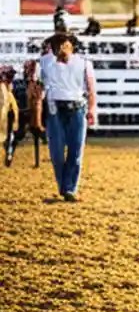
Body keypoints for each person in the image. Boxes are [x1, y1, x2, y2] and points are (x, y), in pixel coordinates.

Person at [33, 33, 97, 202]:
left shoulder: (83, 63)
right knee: (57, 153)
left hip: (77, 108)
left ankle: (69, 188)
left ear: (71, 46)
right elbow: (39, 84)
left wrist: (91, 108)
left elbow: (91, 88)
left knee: (76, 150)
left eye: (64, 44)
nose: (61, 48)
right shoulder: (45, 62)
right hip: (55, 109)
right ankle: (66, 187)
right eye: (57, 45)